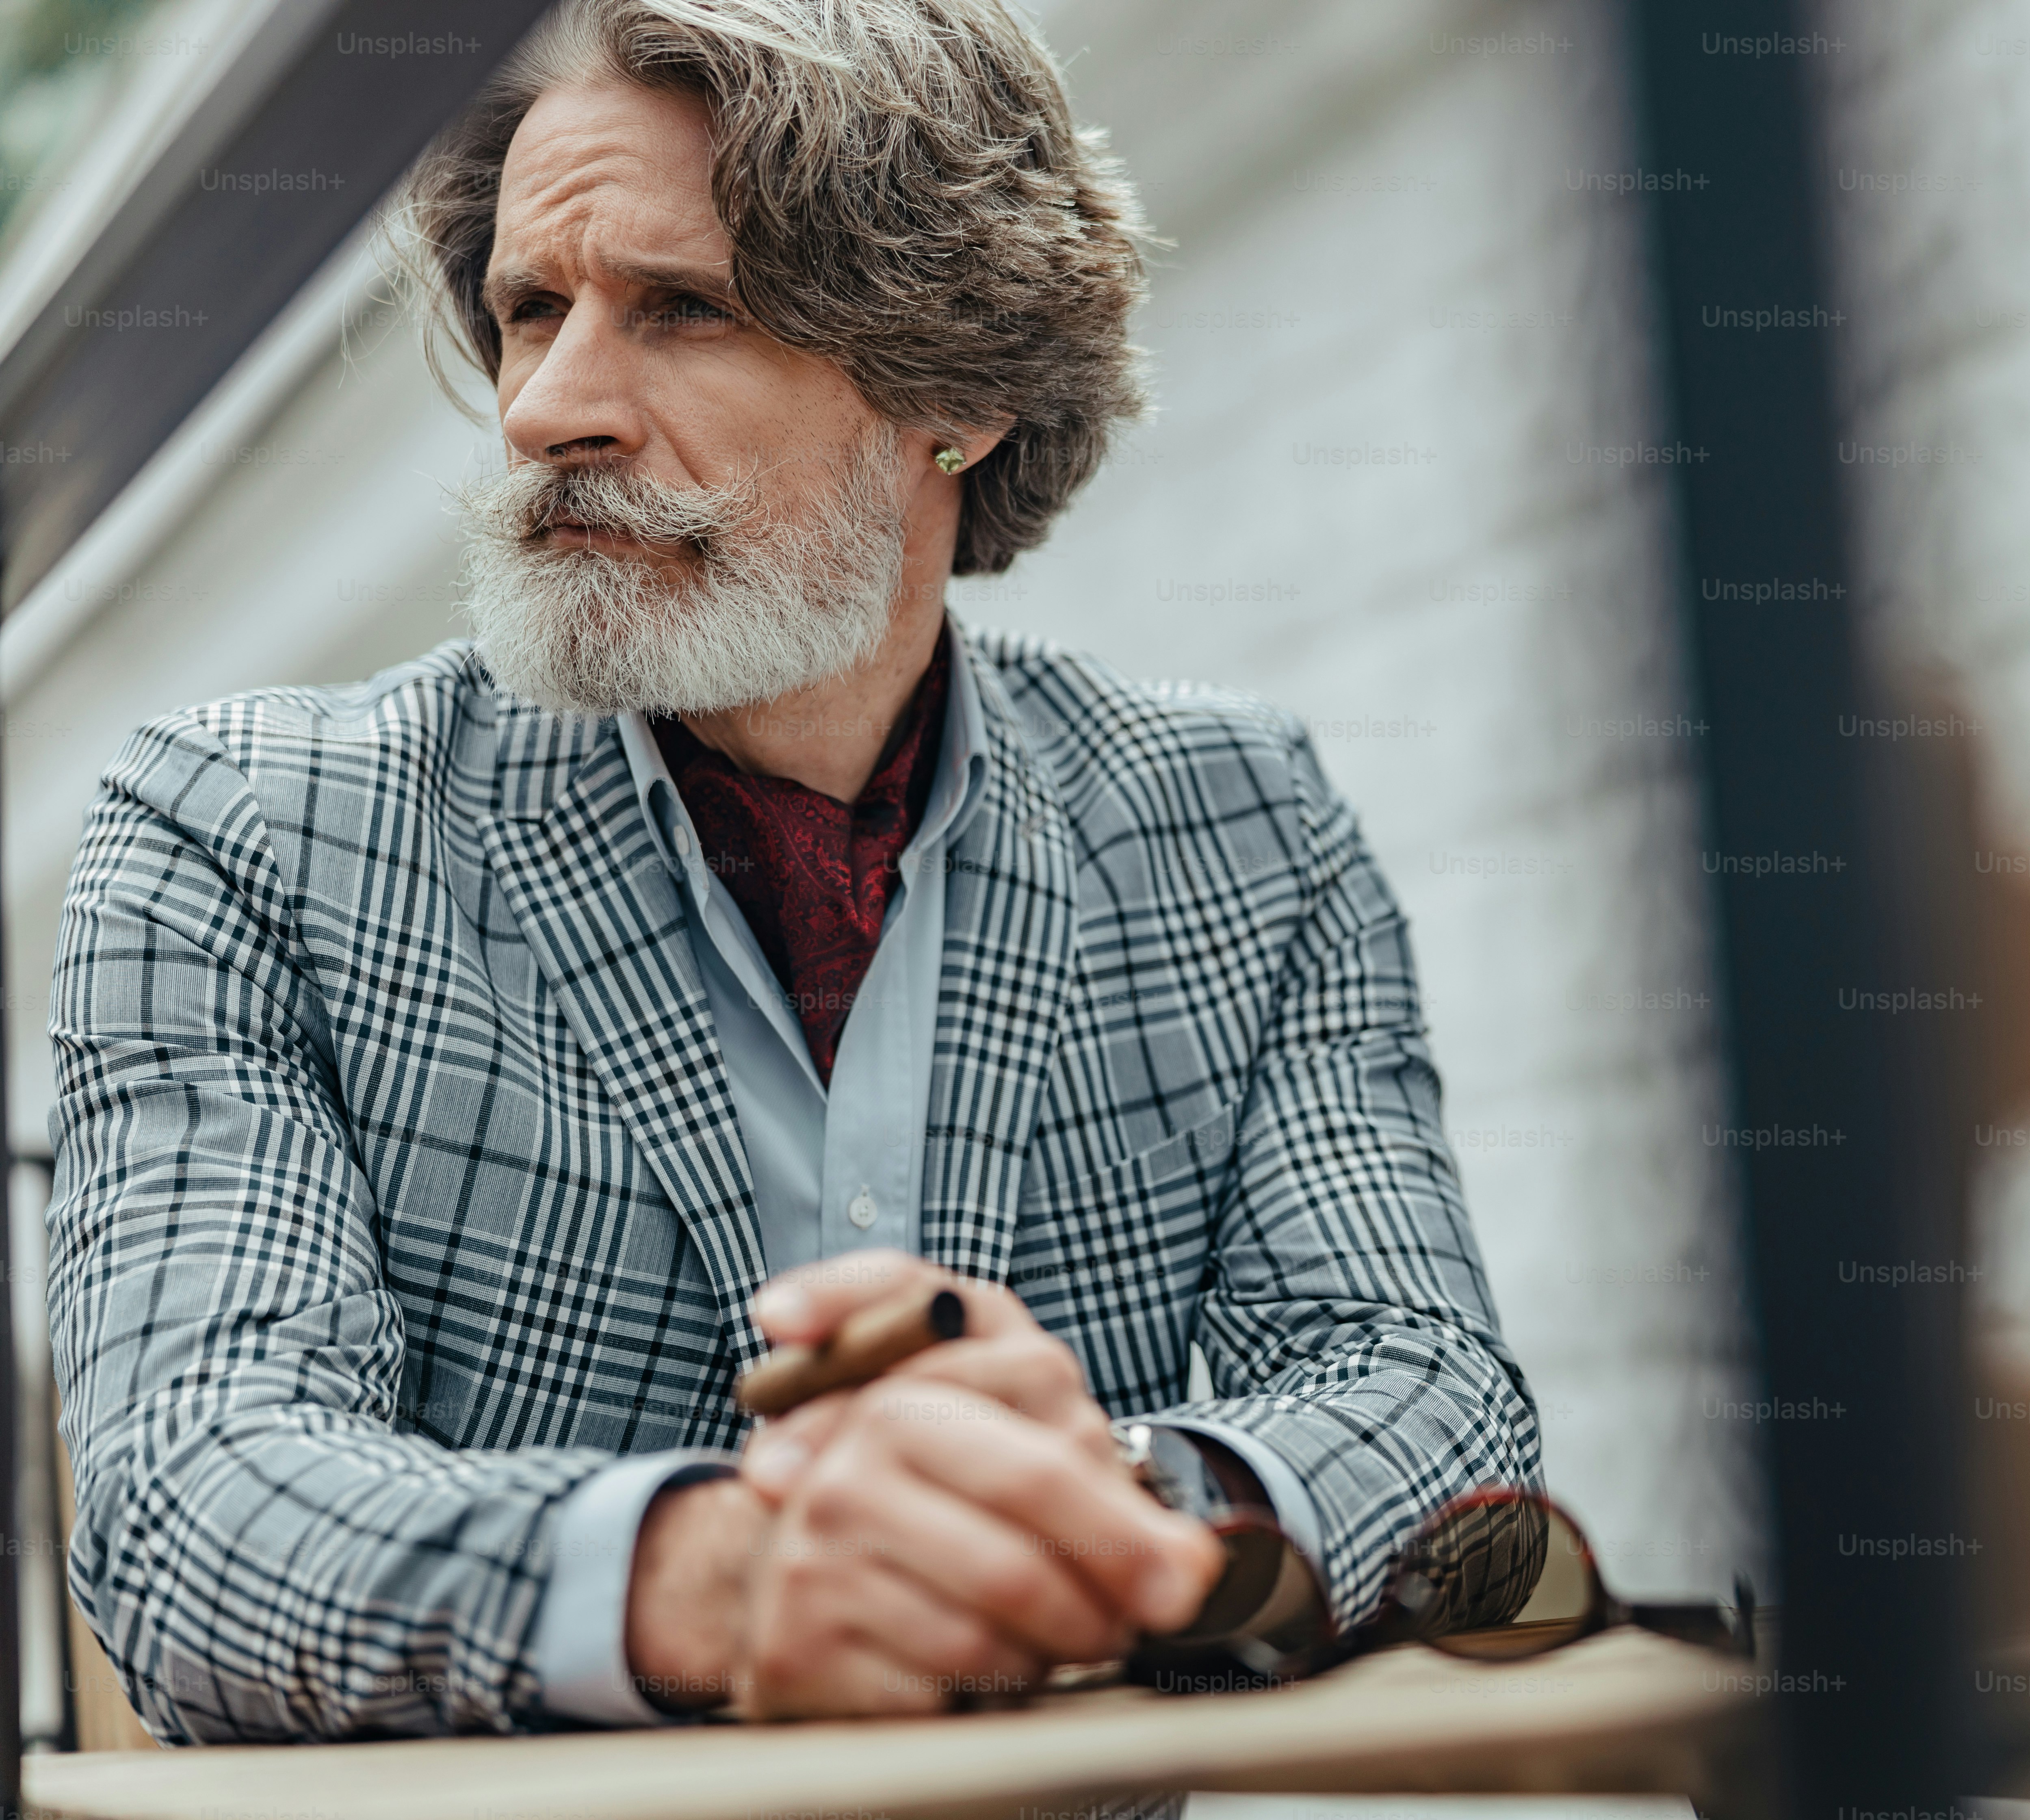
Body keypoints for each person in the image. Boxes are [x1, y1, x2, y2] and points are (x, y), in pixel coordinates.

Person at [45, 0, 1536, 1740]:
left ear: (959, 390)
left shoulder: (1239, 824)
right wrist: (720, 1574)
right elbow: (189, 1499)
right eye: (532, 310)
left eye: (684, 309)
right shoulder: (240, 830)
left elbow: (1438, 1404)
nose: (549, 407)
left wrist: (1120, 1516)